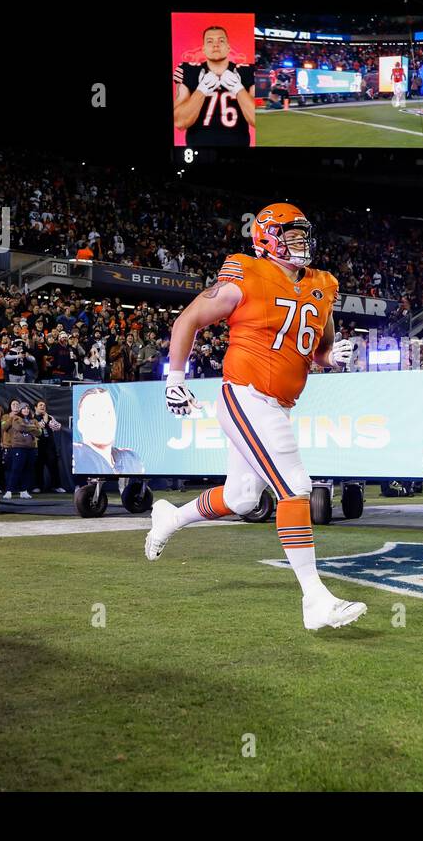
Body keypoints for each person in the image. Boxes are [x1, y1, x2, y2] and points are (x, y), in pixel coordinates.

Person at [145, 202, 365, 632]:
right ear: (266, 237)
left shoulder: (323, 284)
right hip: (244, 393)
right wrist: (175, 378)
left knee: (243, 498)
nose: (301, 243)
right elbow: (189, 319)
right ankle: (315, 599)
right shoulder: (245, 272)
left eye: (303, 235)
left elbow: (317, 351)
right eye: (291, 235)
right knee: (295, 486)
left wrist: (331, 358)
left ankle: (171, 517)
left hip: (277, 402)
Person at [172, 25, 256, 146]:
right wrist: (201, 90)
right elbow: (180, 123)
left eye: (221, 41)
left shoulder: (247, 71)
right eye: (209, 41)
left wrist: (239, 89)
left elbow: (256, 120)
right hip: (199, 152)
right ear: (204, 49)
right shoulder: (188, 71)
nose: (215, 45)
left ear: (228, 48)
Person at [71, 388, 145, 474]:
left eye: (108, 412)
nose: (103, 419)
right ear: (81, 425)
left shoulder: (131, 460)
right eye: (94, 414)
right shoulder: (76, 454)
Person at [2, 402, 40, 500]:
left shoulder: (33, 420)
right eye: (24, 408)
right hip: (18, 447)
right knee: (16, 469)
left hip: (31, 448)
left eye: (27, 408)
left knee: (27, 470)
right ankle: (9, 491)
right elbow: (19, 427)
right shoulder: (16, 418)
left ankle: (24, 491)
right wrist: (32, 428)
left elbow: (39, 432)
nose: (26, 410)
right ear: (20, 410)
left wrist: (29, 428)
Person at [31, 399, 65, 493]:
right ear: (35, 407)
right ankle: (38, 486)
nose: (43, 407)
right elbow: (37, 427)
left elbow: (58, 427)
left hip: (49, 445)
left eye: (44, 406)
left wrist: (48, 421)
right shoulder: (32, 417)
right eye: (40, 405)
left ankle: (56, 486)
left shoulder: (49, 417)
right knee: (38, 466)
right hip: (38, 445)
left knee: (53, 466)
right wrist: (44, 422)